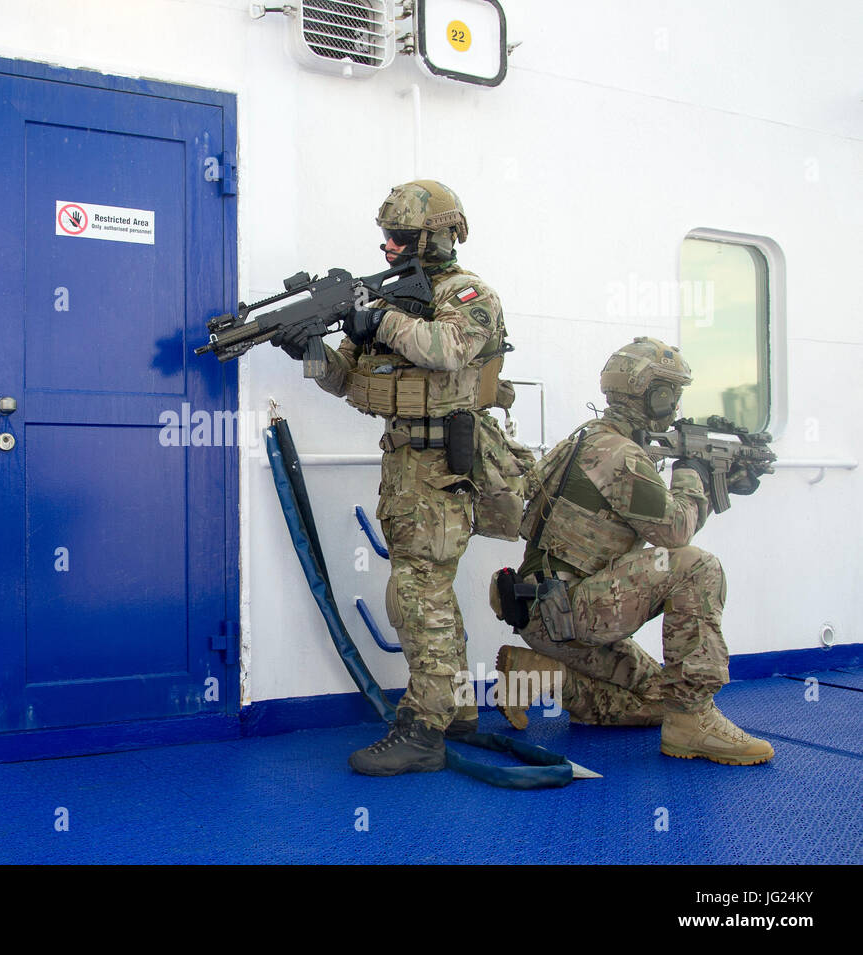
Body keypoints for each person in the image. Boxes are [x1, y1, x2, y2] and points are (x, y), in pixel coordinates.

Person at [273, 180, 512, 775]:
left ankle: (423, 731)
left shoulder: (466, 295)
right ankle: (454, 710)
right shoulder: (393, 304)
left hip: (442, 469)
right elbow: (344, 379)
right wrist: (307, 349)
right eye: (386, 237)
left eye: (401, 237)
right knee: (428, 589)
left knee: (414, 592)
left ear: (438, 235)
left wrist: (371, 317)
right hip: (404, 466)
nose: (389, 247)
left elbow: (450, 350)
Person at [493, 337, 773, 765]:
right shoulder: (620, 455)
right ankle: (694, 720)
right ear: (652, 393)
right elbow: (676, 531)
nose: (675, 406)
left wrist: (713, 479)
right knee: (697, 567)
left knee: (660, 699)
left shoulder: (590, 438)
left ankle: (543, 677)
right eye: (671, 394)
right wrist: (693, 474)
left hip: (547, 613)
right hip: (572, 612)